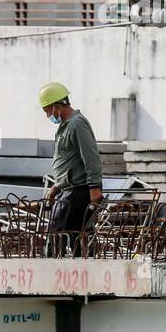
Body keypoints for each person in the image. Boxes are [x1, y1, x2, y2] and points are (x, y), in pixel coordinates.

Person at [39, 81, 102, 257]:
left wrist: (95, 188)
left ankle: (53, 271)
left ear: (57, 105)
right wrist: (56, 187)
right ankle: (76, 273)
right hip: (68, 189)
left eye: (47, 110)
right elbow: (68, 162)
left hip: (79, 190)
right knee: (75, 235)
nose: (47, 115)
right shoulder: (64, 127)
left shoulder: (77, 124)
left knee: (57, 231)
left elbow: (90, 157)